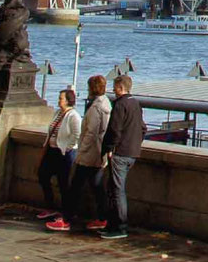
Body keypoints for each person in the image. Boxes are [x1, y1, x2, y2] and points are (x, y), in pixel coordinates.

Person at [46, 75, 110, 234]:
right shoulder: (106, 104)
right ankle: (102, 217)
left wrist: (81, 151)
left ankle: (67, 219)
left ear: (92, 88)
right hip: (97, 153)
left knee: (76, 186)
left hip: (89, 154)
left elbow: (91, 133)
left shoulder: (96, 108)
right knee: (96, 187)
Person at [97, 72, 144, 241]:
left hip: (119, 153)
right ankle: (113, 225)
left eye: (115, 87)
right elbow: (143, 128)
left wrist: (110, 148)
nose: (113, 90)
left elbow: (114, 130)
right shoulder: (136, 104)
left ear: (120, 88)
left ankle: (120, 226)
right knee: (115, 190)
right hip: (132, 152)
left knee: (117, 191)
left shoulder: (119, 105)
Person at [37, 87, 77, 213]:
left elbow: (77, 135)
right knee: (43, 175)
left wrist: (67, 147)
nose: (59, 101)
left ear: (68, 101)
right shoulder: (58, 113)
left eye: (61, 98)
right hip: (51, 150)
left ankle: (65, 212)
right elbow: (51, 130)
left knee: (63, 183)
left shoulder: (73, 116)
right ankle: (50, 206)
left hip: (63, 153)